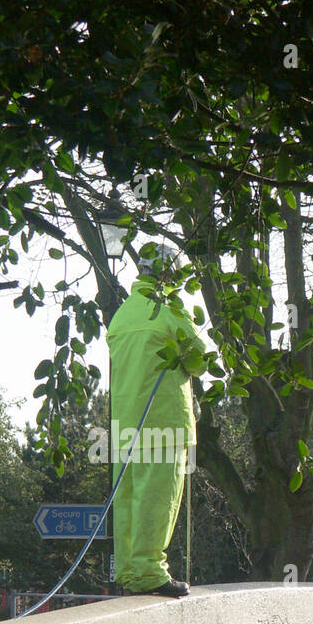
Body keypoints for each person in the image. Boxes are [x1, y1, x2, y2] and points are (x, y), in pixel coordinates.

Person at [106, 246, 204, 597]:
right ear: (169, 275)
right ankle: (150, 571)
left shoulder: (122, 315)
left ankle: (131, 572)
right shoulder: (170, 312)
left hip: (125, 423)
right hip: (162, 420)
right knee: (157, 498)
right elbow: (199, 362)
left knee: (129, 498)